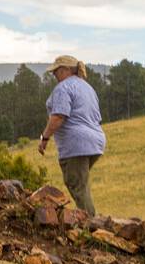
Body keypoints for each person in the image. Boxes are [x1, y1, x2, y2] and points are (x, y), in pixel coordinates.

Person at [38, 55, 105, 215]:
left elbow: (59, 116)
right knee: (81, 183)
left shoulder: (63, 88)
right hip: (96, 141)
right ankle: (88, 221)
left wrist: (44, 137)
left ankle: (90, 226)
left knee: (77, 186)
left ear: (65, 70)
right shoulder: (87, 88)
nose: (54, 75)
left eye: (56, 71)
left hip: (76, 144)